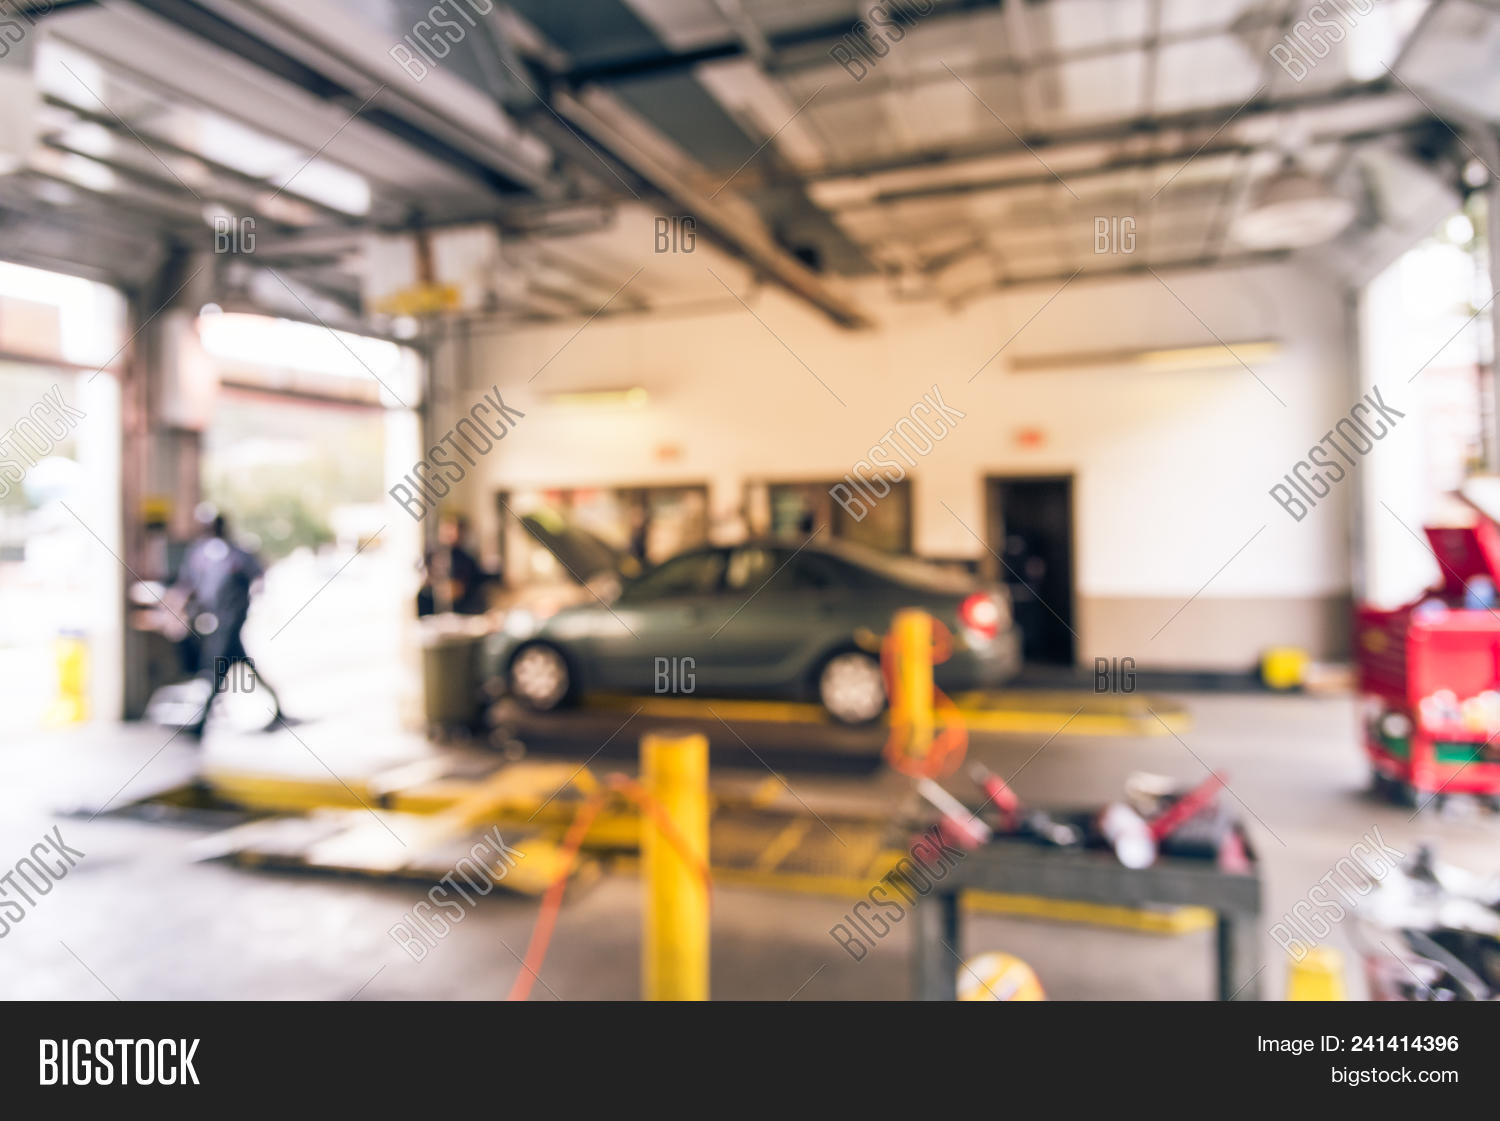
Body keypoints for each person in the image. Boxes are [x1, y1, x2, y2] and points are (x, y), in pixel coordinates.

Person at [173, 507, 282, 739]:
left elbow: (258, 575)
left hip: (231, 621)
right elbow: (187, 584)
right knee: (237, 664)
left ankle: (201, 723)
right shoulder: (199, 553)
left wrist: (259, 600)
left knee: (215, 667)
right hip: (213, 620)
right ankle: (279, 709)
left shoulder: (237, 553)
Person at [417, 512, 489, 616]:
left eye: (453, 529)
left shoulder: (466, 560)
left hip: (461, 611)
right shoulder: (432, 556)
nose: (449, 533)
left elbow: (461, 588)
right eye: (446, 528)